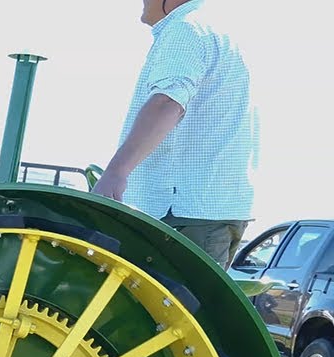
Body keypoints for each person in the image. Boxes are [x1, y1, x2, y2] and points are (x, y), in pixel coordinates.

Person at [92, 0, 258, 268]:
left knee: (156, 308)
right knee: (191, 309)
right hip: (209, 210)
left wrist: (116, 173)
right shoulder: (219, 31)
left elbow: (167, 102)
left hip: (180, 212)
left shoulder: (185, 30)